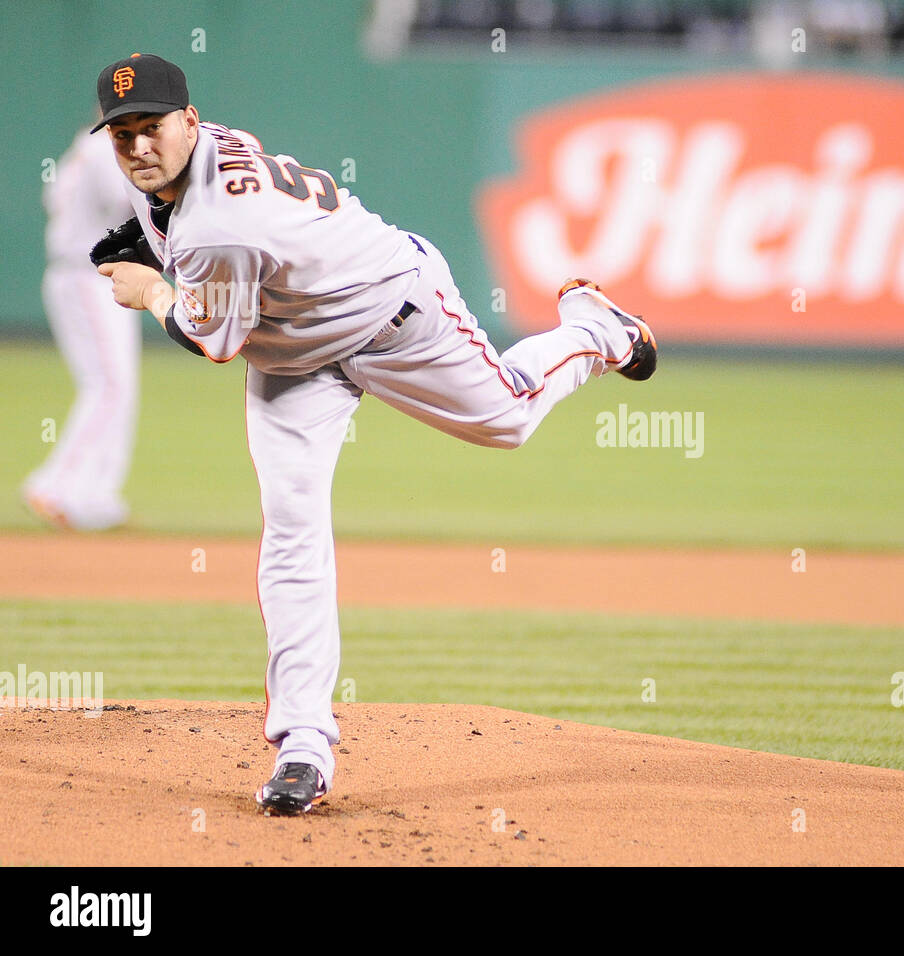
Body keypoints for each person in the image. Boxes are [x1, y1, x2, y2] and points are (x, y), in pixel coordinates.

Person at [92, 53, 657, 815]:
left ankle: (595, 330)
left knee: (510, 420)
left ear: (189, 122)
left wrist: (153, 287)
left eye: (150, 127)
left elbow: (211, 339)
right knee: (292, 529)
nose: (137, 147)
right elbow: (193, 227)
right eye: (122, 134)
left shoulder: (218, 225)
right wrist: (154, 232)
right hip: (295, 357)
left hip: (395, 315)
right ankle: (303, 745)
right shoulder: (196, 170)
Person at [23, 120, 140, 531]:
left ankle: (94, 494)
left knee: (115, 386)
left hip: (85, 273)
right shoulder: (101, 149)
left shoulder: (82, 149)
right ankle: (57, 484)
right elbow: (127, 197)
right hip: (85, 274)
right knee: (108, 386)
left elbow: (50, 197)